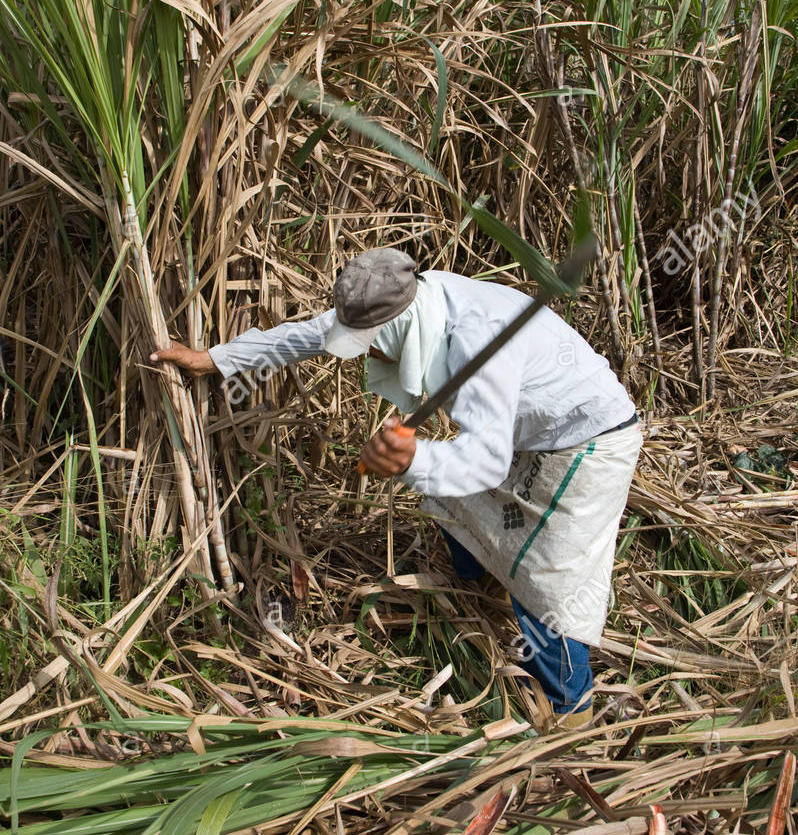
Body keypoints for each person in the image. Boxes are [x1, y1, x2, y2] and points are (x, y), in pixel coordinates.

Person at [150, 247, 642, 729]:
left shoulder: (474, 340)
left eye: (370, 345)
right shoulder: (408, 302)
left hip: (587, 437)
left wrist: (412, 458)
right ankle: (472, 587)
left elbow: (488, 462)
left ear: (395, 330)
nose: (369, 355)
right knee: (454, 500)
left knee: (546, 578)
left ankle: (569, 712)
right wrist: (214, 359)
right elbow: (309, 336)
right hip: (526, 431)